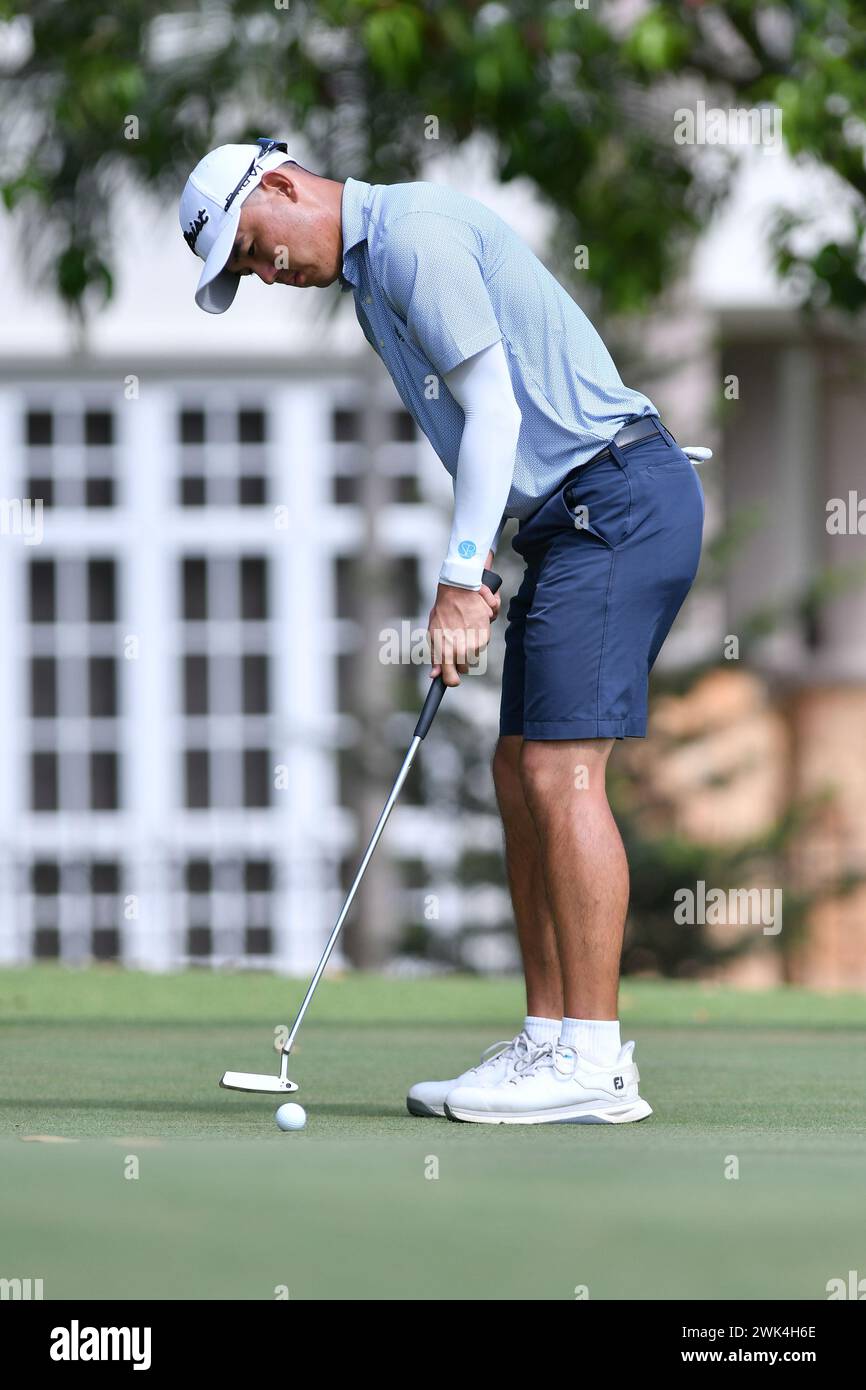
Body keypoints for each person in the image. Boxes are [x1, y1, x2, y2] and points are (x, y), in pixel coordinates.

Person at [180, 140, 705, 1125]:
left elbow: (498, 412)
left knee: (559, 772)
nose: (268, 272)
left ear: (284, 186)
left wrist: (458, 577)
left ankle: (591, 1059)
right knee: (518, 770)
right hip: (568, 515)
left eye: (254, 247)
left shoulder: (411, 237)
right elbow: (487, 437)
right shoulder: (375, 277)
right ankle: (546, 1042)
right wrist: (493, 545)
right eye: (246, 272)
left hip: (617, 499)